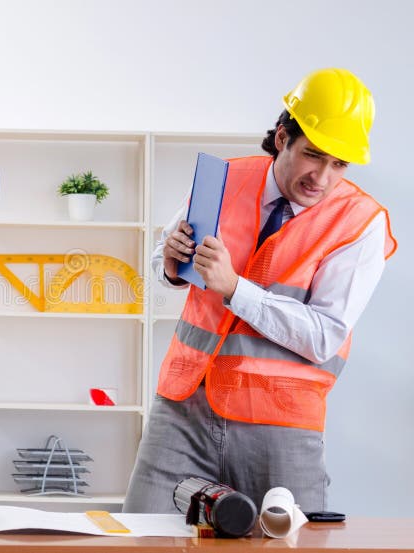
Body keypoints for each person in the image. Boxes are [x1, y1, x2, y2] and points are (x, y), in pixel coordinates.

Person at [123, 68, 397, 514]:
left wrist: (236, 289)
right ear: (283, 137)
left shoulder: (361, 223)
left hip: (282, 424)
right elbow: (163, 259)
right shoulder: (224, 178)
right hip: (183, 409)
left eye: (339, 164)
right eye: (313, 155)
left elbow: (324, 335)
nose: (323, 178)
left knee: (290, 546)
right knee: (141, 538)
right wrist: (170, 264)